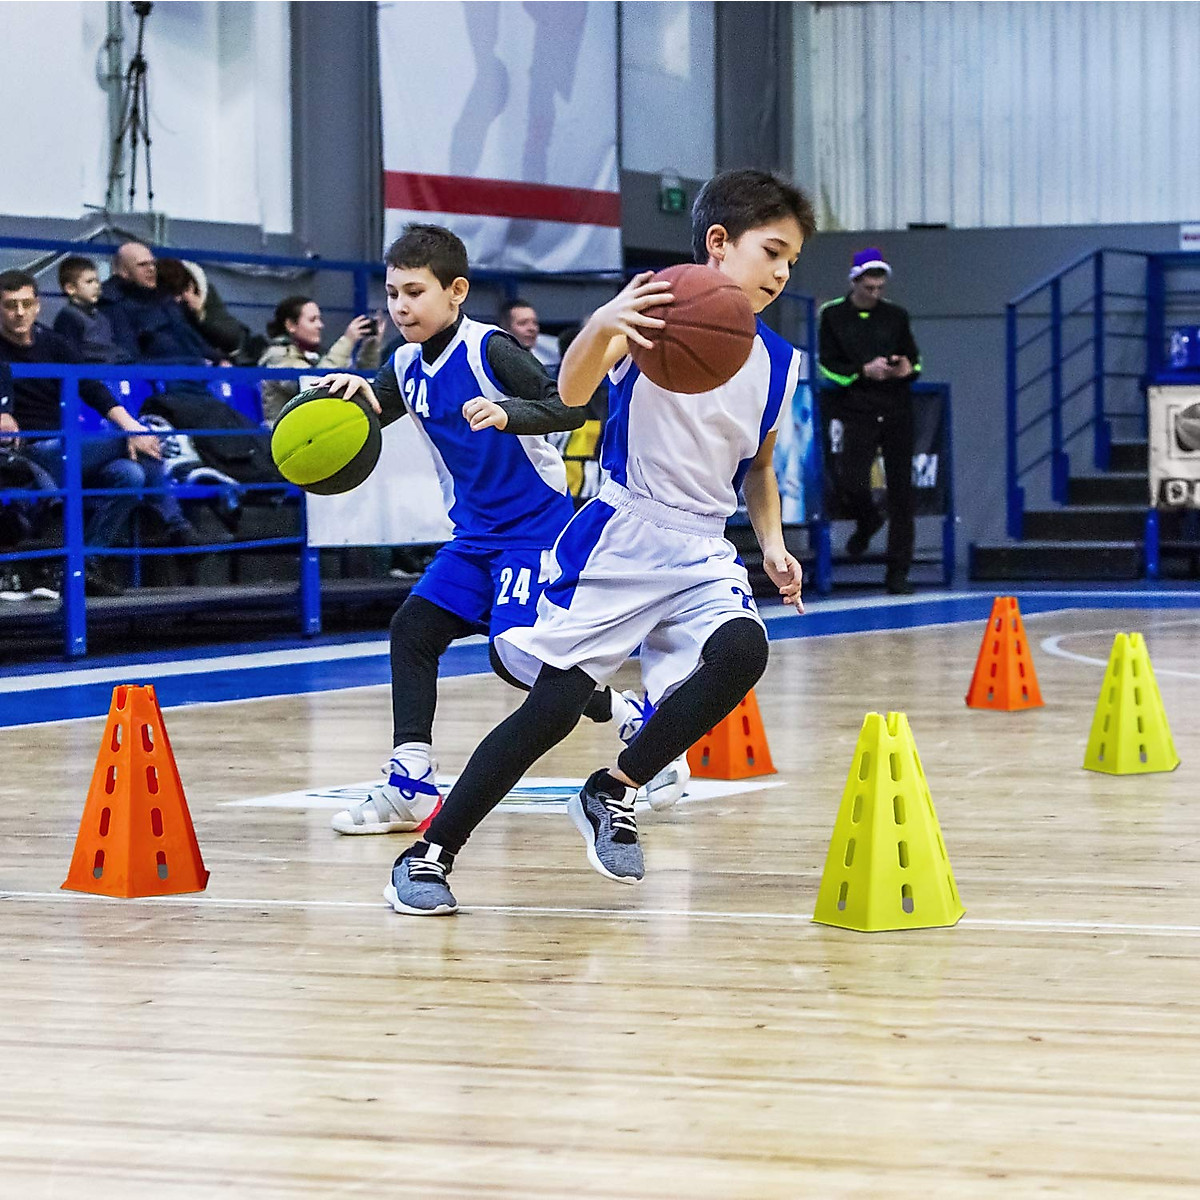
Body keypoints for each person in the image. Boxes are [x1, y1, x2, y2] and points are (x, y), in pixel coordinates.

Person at [383, 169, 814, 916]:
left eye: (792, 261)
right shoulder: (650, 314)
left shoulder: (779, 361)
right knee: (552, 708)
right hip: (621, 531)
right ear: (718, 243)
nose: (781, 271)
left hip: (703, 544)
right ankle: (429, 851)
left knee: (743, 651)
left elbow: (762, 467)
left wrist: (771, 543)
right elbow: (572, 394)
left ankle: (613, 787)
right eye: (771, 250)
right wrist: (606, 322)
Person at [316, 224, 683, 838]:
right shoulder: (404, 362)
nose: (401, 306)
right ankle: (409, 780)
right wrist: (351, 398)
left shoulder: (492, 349)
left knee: (516, 660)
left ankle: (634, 721)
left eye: (414, 292)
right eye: (392, 294)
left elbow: (572, 403)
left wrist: (510, 413)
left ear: (456, 291)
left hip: (535, 531)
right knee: (413, 629)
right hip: (474, 538)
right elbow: (376, 405)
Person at [0, 270, 198, 592]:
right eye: (10, 305)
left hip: (68, 453)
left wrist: (133, 427)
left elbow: (93, 390)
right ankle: (176, 525)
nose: (19, 313)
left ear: (37, 306)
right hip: (31, 456)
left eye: (26, 304)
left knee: (131, 476)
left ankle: (81, 567)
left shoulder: (54, 344)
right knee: (139, 442)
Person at [817, 247, 921, 595]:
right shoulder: (832, 315)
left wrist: (905, 369)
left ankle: (898, 572)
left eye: (879, 288)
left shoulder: (897, 316)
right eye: (868, 288)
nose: (875, 294)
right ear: (855, 281)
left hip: (896, 406)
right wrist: (862, 371)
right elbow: (826, 364)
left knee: (902, 493)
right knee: (852, 481)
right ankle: (867, 521)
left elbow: (915, 360)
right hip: (857, 406)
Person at [257, 296, 383, 425]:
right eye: (312, 320)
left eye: (319, 319)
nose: (320, 325)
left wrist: (371, 346)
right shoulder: (277, 356)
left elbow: (361, 379)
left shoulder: (316, 355)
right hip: (286, 434)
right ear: (290, 325)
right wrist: (348, 340)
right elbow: (313, 385)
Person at [99, 241, 226, 366]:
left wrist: (219, 360)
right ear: (123, 271)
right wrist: (193, 363)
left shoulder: (164, 299)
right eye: (142, 265)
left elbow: (190, 337)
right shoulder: (113, 303)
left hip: (194, 369)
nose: (151, 269)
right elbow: (129, 358)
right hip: (164, 377)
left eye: (153, 264)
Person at [52, 256, 133, 365]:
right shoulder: (68, 317)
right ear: (70, 288)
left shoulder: (101, 317)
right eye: (89, 282)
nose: (97, 286)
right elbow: (70, 356)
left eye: (97, 281)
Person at [498, 297, 558, 368]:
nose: (532, 328)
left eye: (535, 323)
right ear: (505, 328)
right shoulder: (498, 367)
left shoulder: (548, 365)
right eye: (523, 323)